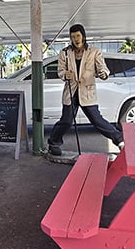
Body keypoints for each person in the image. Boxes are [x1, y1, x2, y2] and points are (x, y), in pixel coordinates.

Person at [47, 23, 124, 156]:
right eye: (73, 37)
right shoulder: (65, 53)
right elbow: (60, 71)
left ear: (83, 36)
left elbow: (102, 68)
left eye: (78, 36)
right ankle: (54, 143)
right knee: (66, 121)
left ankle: (119, 139)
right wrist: (65, 74)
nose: (76, 39)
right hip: (71, 92)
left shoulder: (94, 51)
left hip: (87, 92)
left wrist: (103, 73)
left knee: (97, 120)